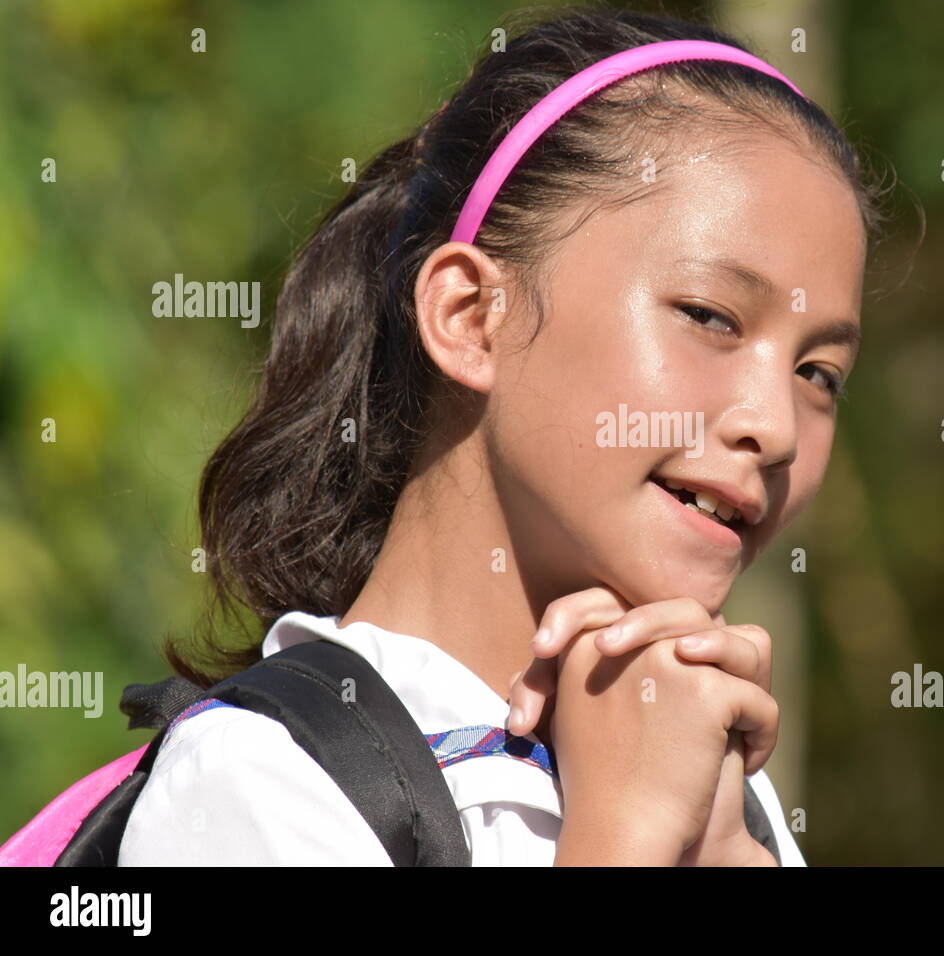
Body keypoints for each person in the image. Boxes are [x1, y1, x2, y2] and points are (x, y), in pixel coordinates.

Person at [118, 5, 888, 866]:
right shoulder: (255, 782)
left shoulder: (732, 793)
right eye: (709, 316)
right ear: (471, 318)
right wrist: (626, 834)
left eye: (818, 374)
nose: (775, 426)